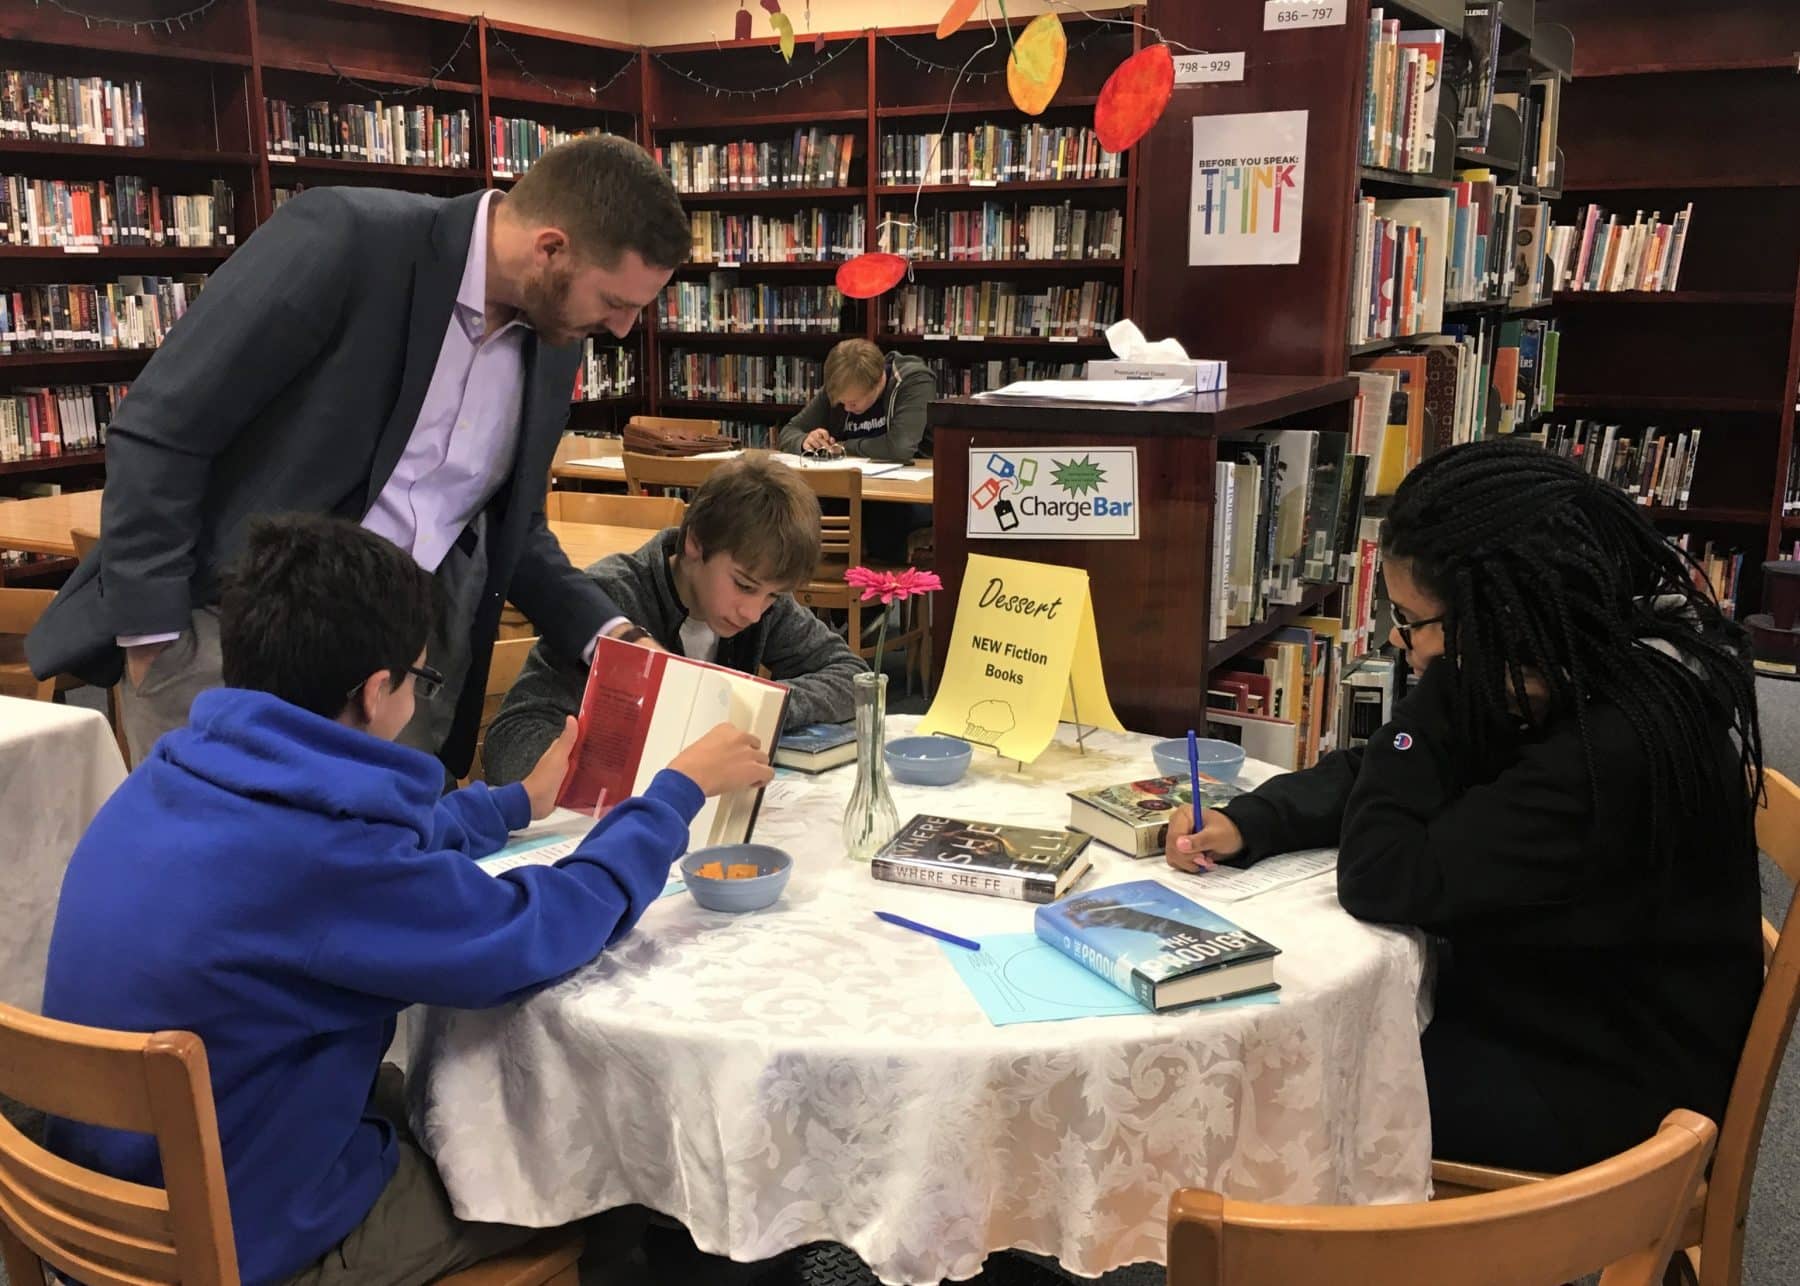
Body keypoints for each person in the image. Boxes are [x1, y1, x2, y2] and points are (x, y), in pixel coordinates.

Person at [40, 514, 773, 1286]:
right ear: (375, 690)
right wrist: (673, 796)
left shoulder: (179, 770)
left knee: (446, 1098)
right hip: (236, 1241)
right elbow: (533, 932)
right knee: (596, 1157)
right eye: (420, 679)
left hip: (102, 1195)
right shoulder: (327, 858)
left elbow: (364, 839)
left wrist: (511, 803)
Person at [1163, 439, 1764, 1174]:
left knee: (1285, 1095)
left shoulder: (1607, 753)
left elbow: (1383, 874)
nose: (1395, 637)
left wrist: (1439, 689)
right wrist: (1254, 819)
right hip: (1559, 1004)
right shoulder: (1579, 664)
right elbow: (1391, 768)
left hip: (1616, 1087)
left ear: (1495, 620)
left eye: (1410, 620)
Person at [25, 134, 690, 775]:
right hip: (232, 649)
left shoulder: (554, 339)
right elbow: (162, 425)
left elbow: (509, 532)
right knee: (229, 883)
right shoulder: (349, 239)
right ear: (552, 249)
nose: (623, 329)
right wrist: (156, 647)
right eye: (615, 301)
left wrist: (612, 638)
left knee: (371, 885)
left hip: (393, 681)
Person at [483, 454, 865, 786]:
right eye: (744, 586)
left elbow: (853, 677)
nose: (752, 613)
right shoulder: (607, 603)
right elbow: (510, 745)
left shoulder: (764, 603)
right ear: (694, 543)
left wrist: (751, 706)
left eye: (772, 596)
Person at [778, 338, 934, 565]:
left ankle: (878, 595)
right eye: (841, 402)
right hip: (853, 490)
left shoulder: (913, 381)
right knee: (807, 508)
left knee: (883, 519)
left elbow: (899, 447)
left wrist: (842, 447)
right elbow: (789, 431)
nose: (845, 408)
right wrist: (805, 441)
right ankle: (823, 592)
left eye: (852, 403)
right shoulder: (841, 386)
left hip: (906, 494)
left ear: (879, 380)